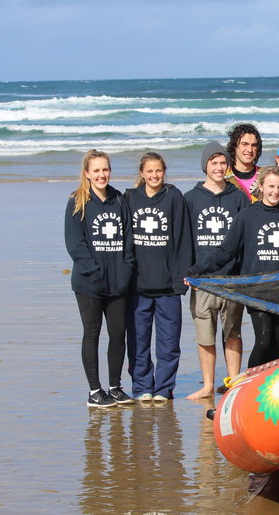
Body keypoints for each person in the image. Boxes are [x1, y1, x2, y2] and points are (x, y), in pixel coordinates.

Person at [188, 166, 279, 367]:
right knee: (263, 340)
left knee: (276, 345)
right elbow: (226, 251)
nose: (275, 191)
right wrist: (197, 269)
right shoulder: (247, 216)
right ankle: (247, 383)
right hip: (256, 288)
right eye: (270, 186)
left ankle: (269, 392)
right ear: (260, 187)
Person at [65, 150, 136, 407]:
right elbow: (75, 244)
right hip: (89, 283)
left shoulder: (118, 199)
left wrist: (126, 268)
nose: (101, 174)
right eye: (96, 170)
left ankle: (115, 387)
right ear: (87, 174)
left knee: (118, 333)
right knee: (92, 333)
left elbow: (128, 237)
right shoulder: (77, 202)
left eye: (105, 169)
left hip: (118, 280)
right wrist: (94, 271)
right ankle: (95, 391)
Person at [183, 142, 249, 400]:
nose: (219, 168)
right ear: (205, 166)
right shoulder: (190, 198)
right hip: (203, 280)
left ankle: (232, 382)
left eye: (223, 163)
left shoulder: (238, 197)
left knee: (233, 332)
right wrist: (187, 272)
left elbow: (246, 239)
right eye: (214, 163)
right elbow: (184, 239)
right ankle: (208, 385)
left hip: (231, 278)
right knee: (205, 335)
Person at [125, 152, 192, 402]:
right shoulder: (130, 198)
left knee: (169, 343)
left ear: (164, 172)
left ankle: (164, 389)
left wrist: (180, 279)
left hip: (167, 288)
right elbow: (124, 242)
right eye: (149, 171)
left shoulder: (174, 197)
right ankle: (142, 387)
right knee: (138, 341)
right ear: (141, 173)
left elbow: (184, 240)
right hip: (138, 286)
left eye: (158, 171)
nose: (154, 175)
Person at [225, 123, 263, 201]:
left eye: (254, 145)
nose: (250, 150)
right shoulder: (223, 177)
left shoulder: (265, 175)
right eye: (245, 144)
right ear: (234, 146)